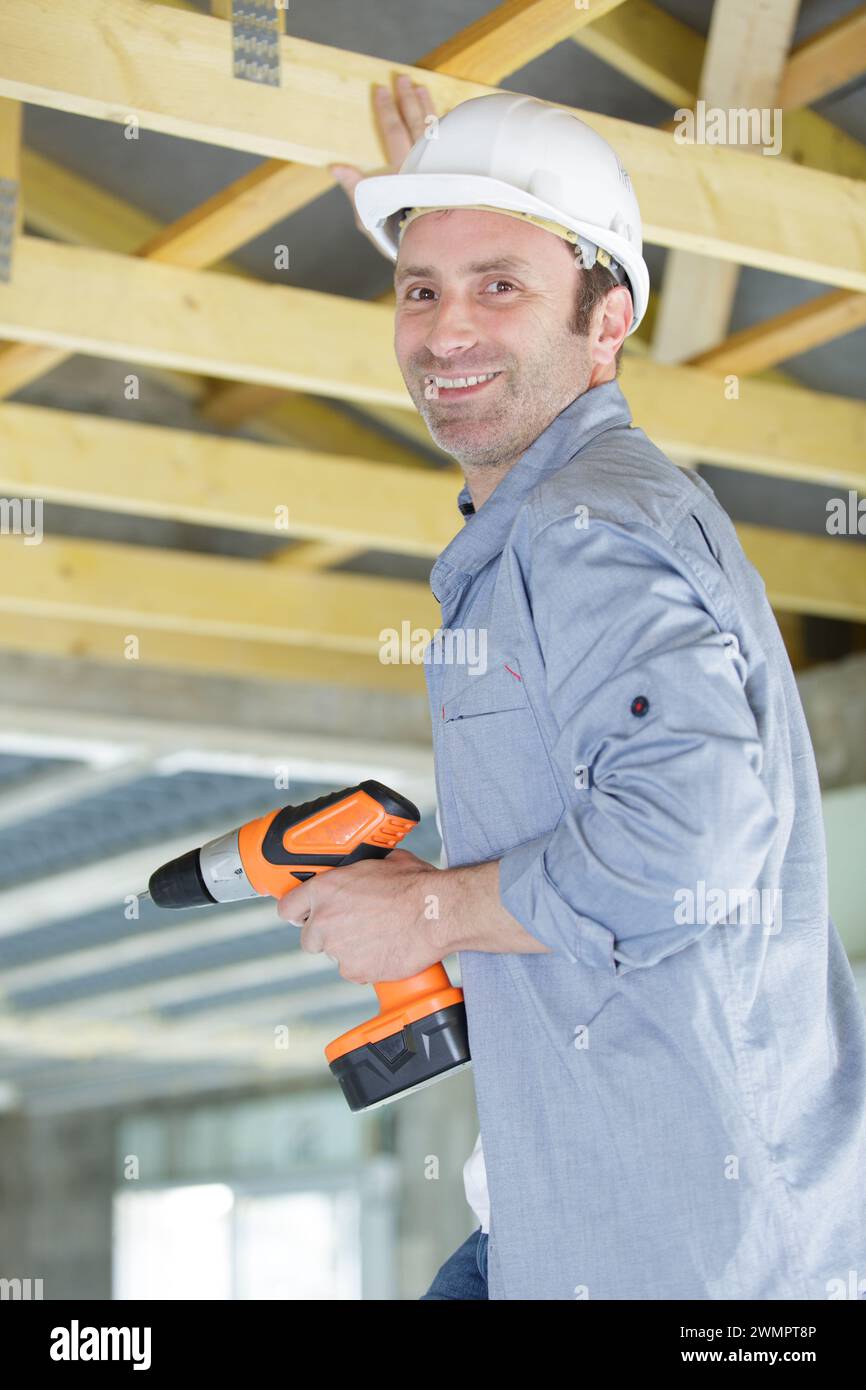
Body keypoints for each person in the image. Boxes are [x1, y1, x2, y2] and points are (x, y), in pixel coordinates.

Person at [279, 82, 866, 1300]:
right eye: (417, 290)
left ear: (608, 323)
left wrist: (427, 914)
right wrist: (448, 216)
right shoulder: (545, 518)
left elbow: (683, 836)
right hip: (571, 1225)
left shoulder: (584, 526)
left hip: (689, 1263)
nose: (442, 331)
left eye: (502, 284)